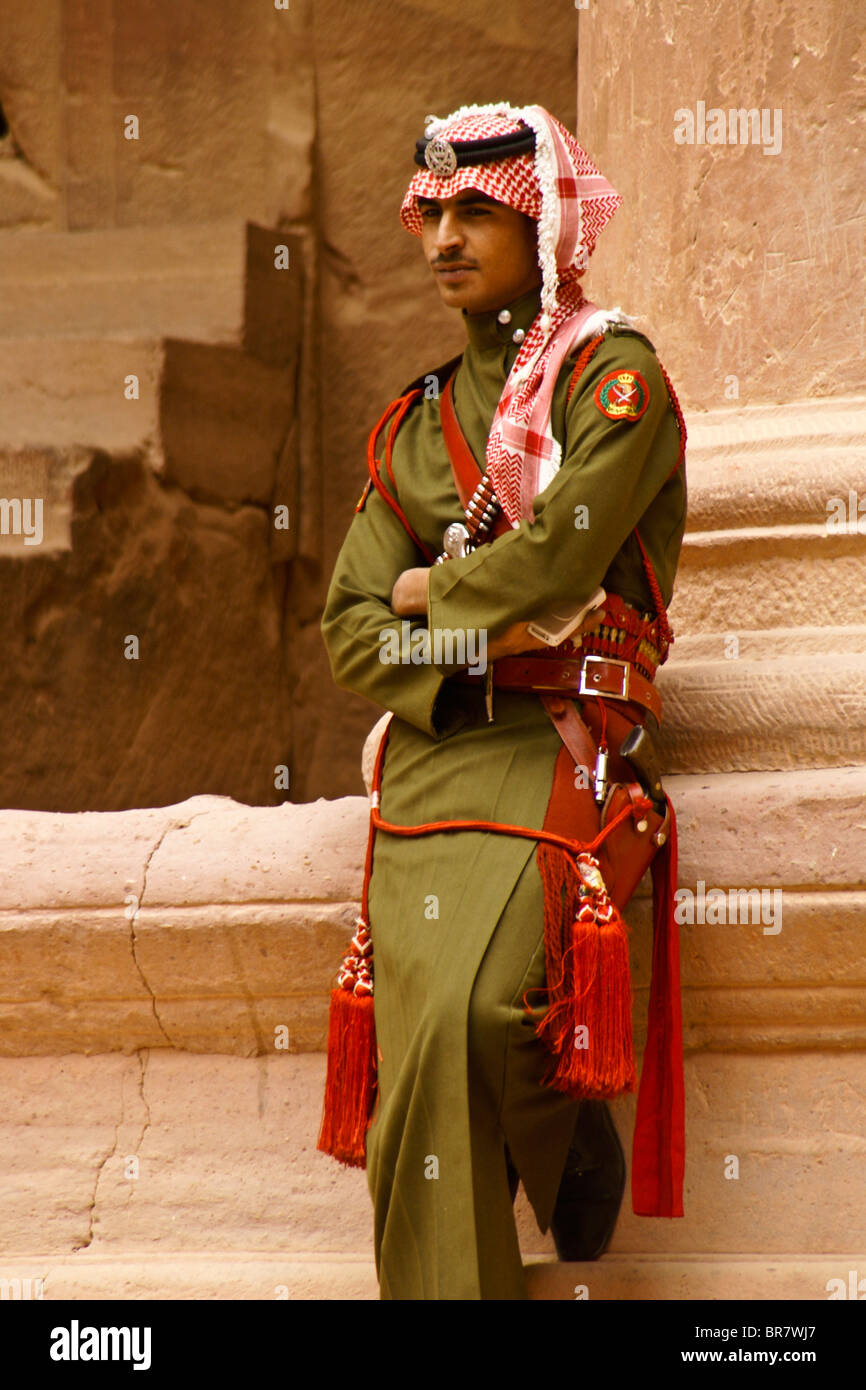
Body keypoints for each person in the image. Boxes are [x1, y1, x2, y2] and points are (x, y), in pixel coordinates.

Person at [317, 102, 687, 1301]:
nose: (443, 237)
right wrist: (463, 641)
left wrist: (434, 586)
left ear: (548, 223)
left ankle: (574, 1149)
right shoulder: (415, 425)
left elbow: (561, 559)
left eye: (477, 210)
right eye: (431, 211)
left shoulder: (611, 377)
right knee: (424, 1058)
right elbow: (350, 629)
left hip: (559, 743)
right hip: (436, 756)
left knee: (485, 1018)